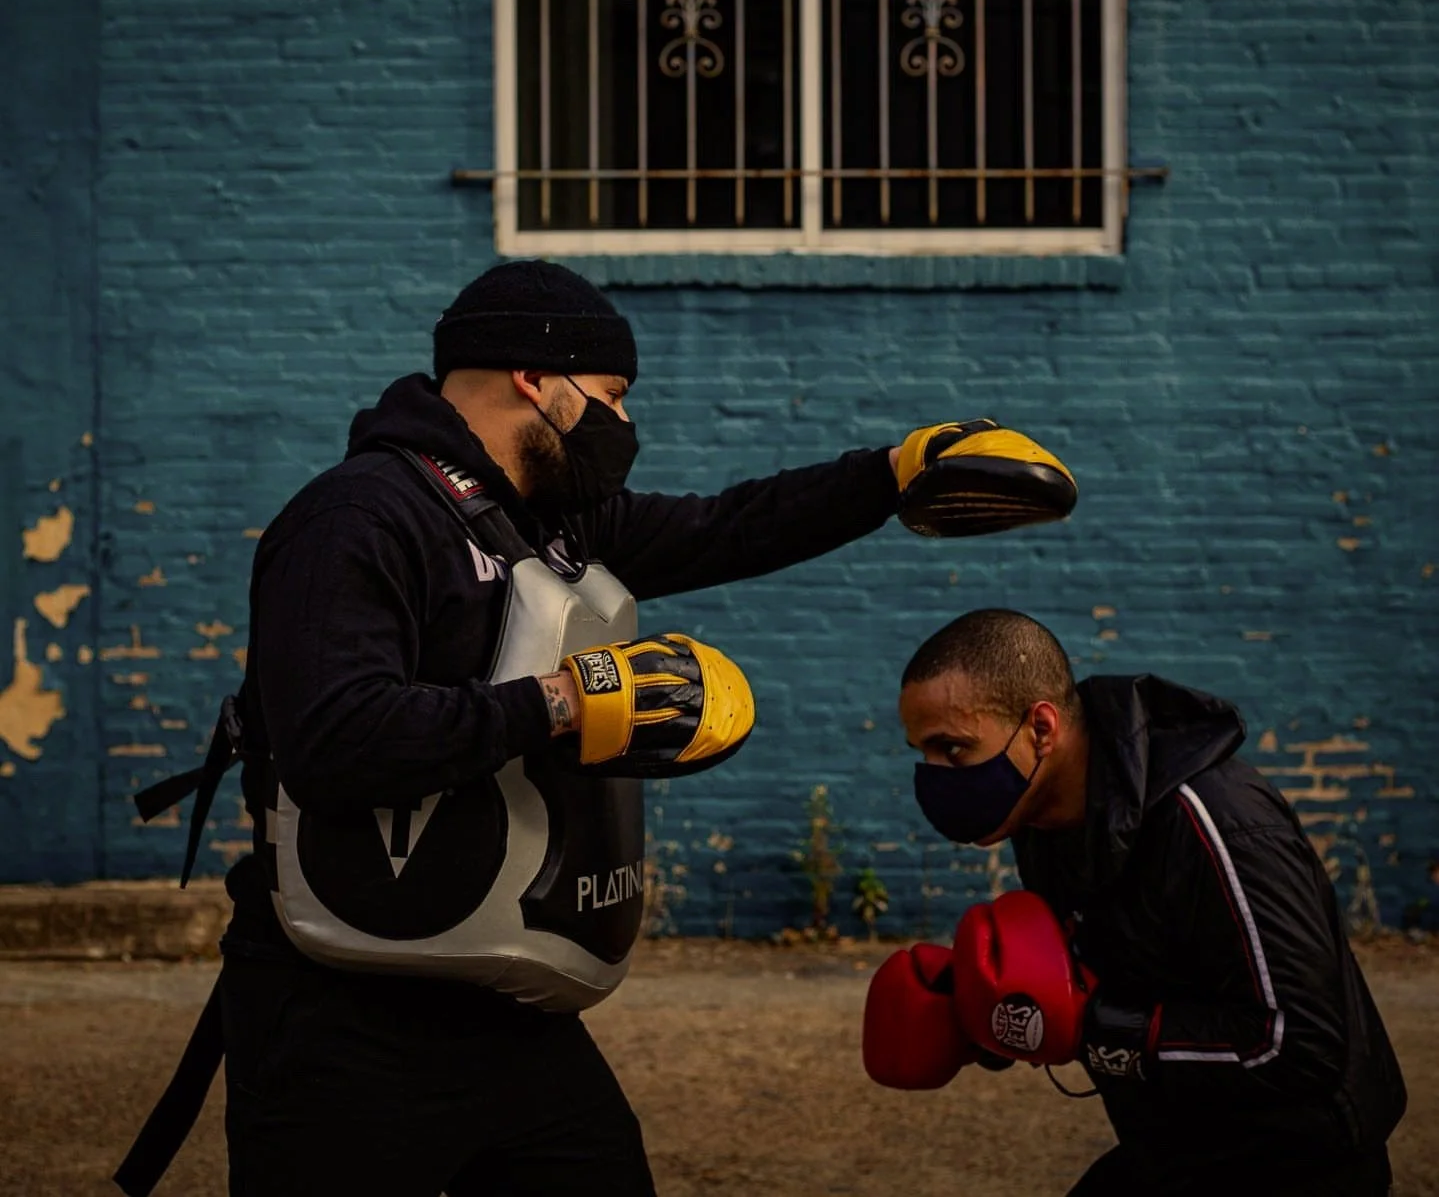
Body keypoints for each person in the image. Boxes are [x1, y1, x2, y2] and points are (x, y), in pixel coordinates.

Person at [117, 263, 1076, 1197]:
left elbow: (727, 525)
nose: (622, 420)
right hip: (345, 1016)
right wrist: (563, 701)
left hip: (505, 999)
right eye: (609, 392)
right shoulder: (358, 518)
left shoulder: (546, 520)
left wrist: (889, 474)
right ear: (535, 378)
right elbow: (332, 737)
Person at [863, 607, 1406, 1197]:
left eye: (953, 748)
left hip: (1298, 1167)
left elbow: (1299, 1043)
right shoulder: (1042, 817)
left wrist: (1096, 1027)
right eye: (923, 751)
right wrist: (987, 1017)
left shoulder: (1216, 822)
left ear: (1042, 729)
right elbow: (1103, 971)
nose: (935, 774)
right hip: (1175, 1148)